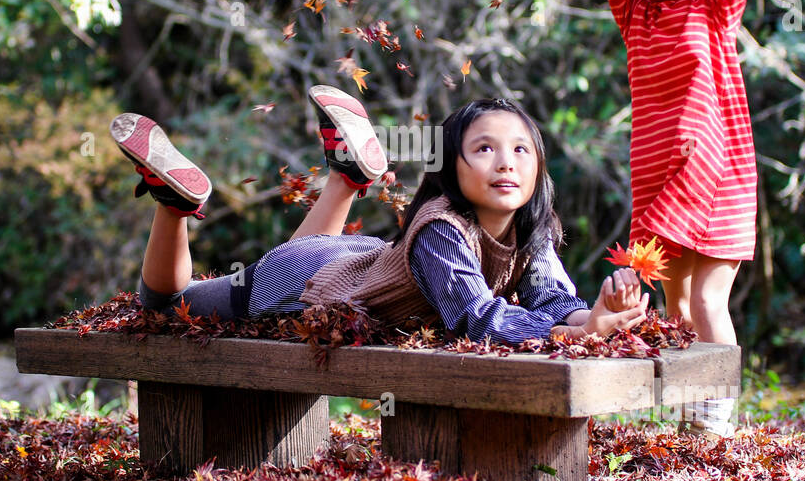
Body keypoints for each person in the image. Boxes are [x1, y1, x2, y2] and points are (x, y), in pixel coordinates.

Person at [111, 86, 649, 343]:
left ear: (539, 168)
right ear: (449, 166)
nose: (505, 163)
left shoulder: (531, 226)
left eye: (521, 150)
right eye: (484, 149)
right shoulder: (441, 228)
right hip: (314, 282)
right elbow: (478, 319)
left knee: (293, 255)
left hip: (364, 262)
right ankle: (175, 207)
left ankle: (348, 177)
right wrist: (577, 335)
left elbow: (552, 299)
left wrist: (591, 315)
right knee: (164, 312)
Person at [585, 0, 765, 437]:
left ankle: (714, 415)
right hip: (658, 177)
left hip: (715, 177)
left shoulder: (714, 9)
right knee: (678, 303)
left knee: (708, 299)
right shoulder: (633, 13)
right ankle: (694, 414)